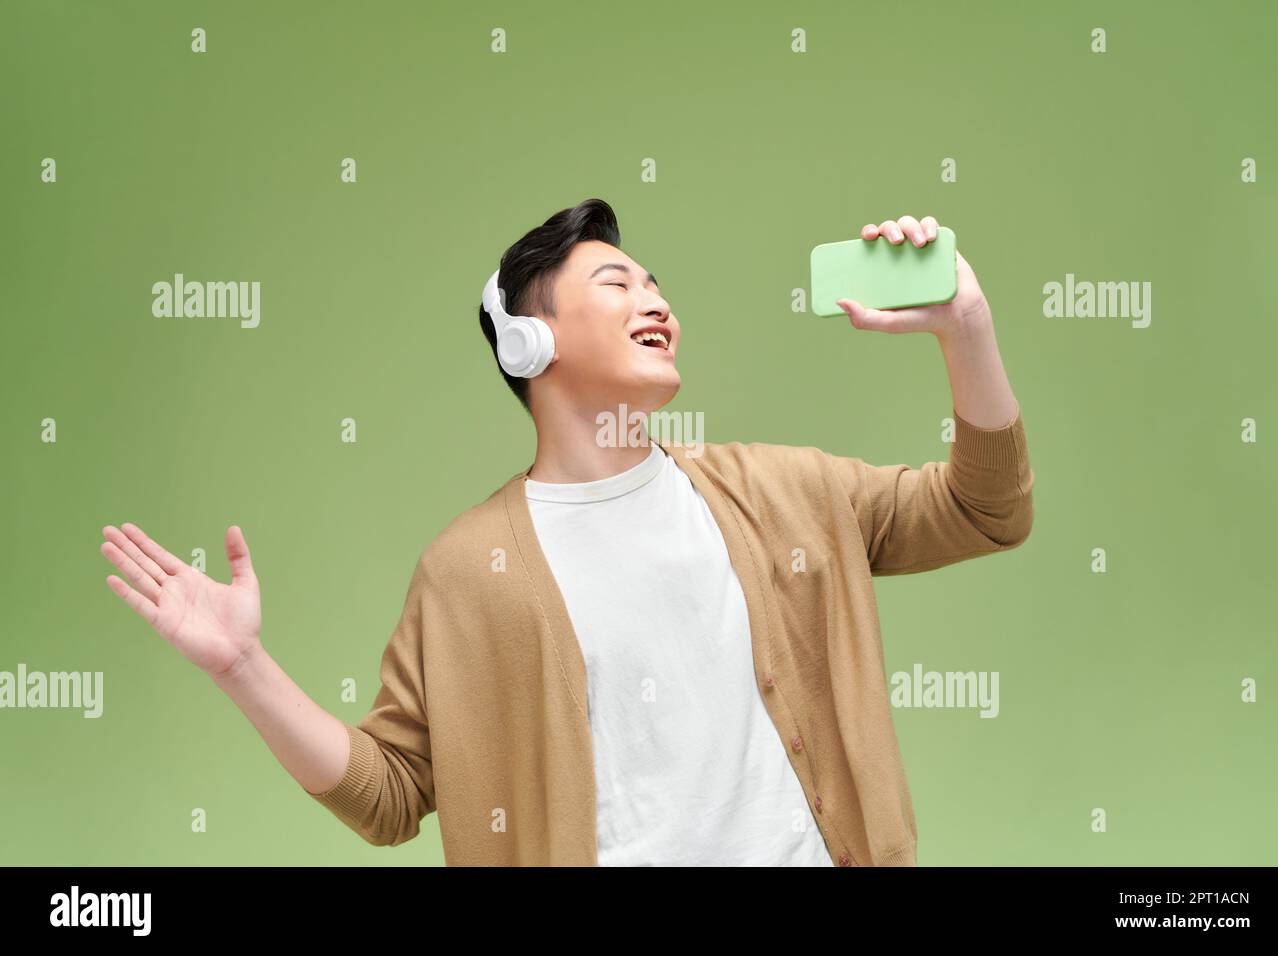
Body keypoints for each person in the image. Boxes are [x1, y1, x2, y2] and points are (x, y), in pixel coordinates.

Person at [100, 198, 1034, 866]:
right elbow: (387, 796)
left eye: (658, 285)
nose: (657, 301)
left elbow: (987, 510)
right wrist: (241, 666)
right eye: (616, 282)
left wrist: (969, 331)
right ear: (527, 345)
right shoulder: (470, 572)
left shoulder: (787, 493)